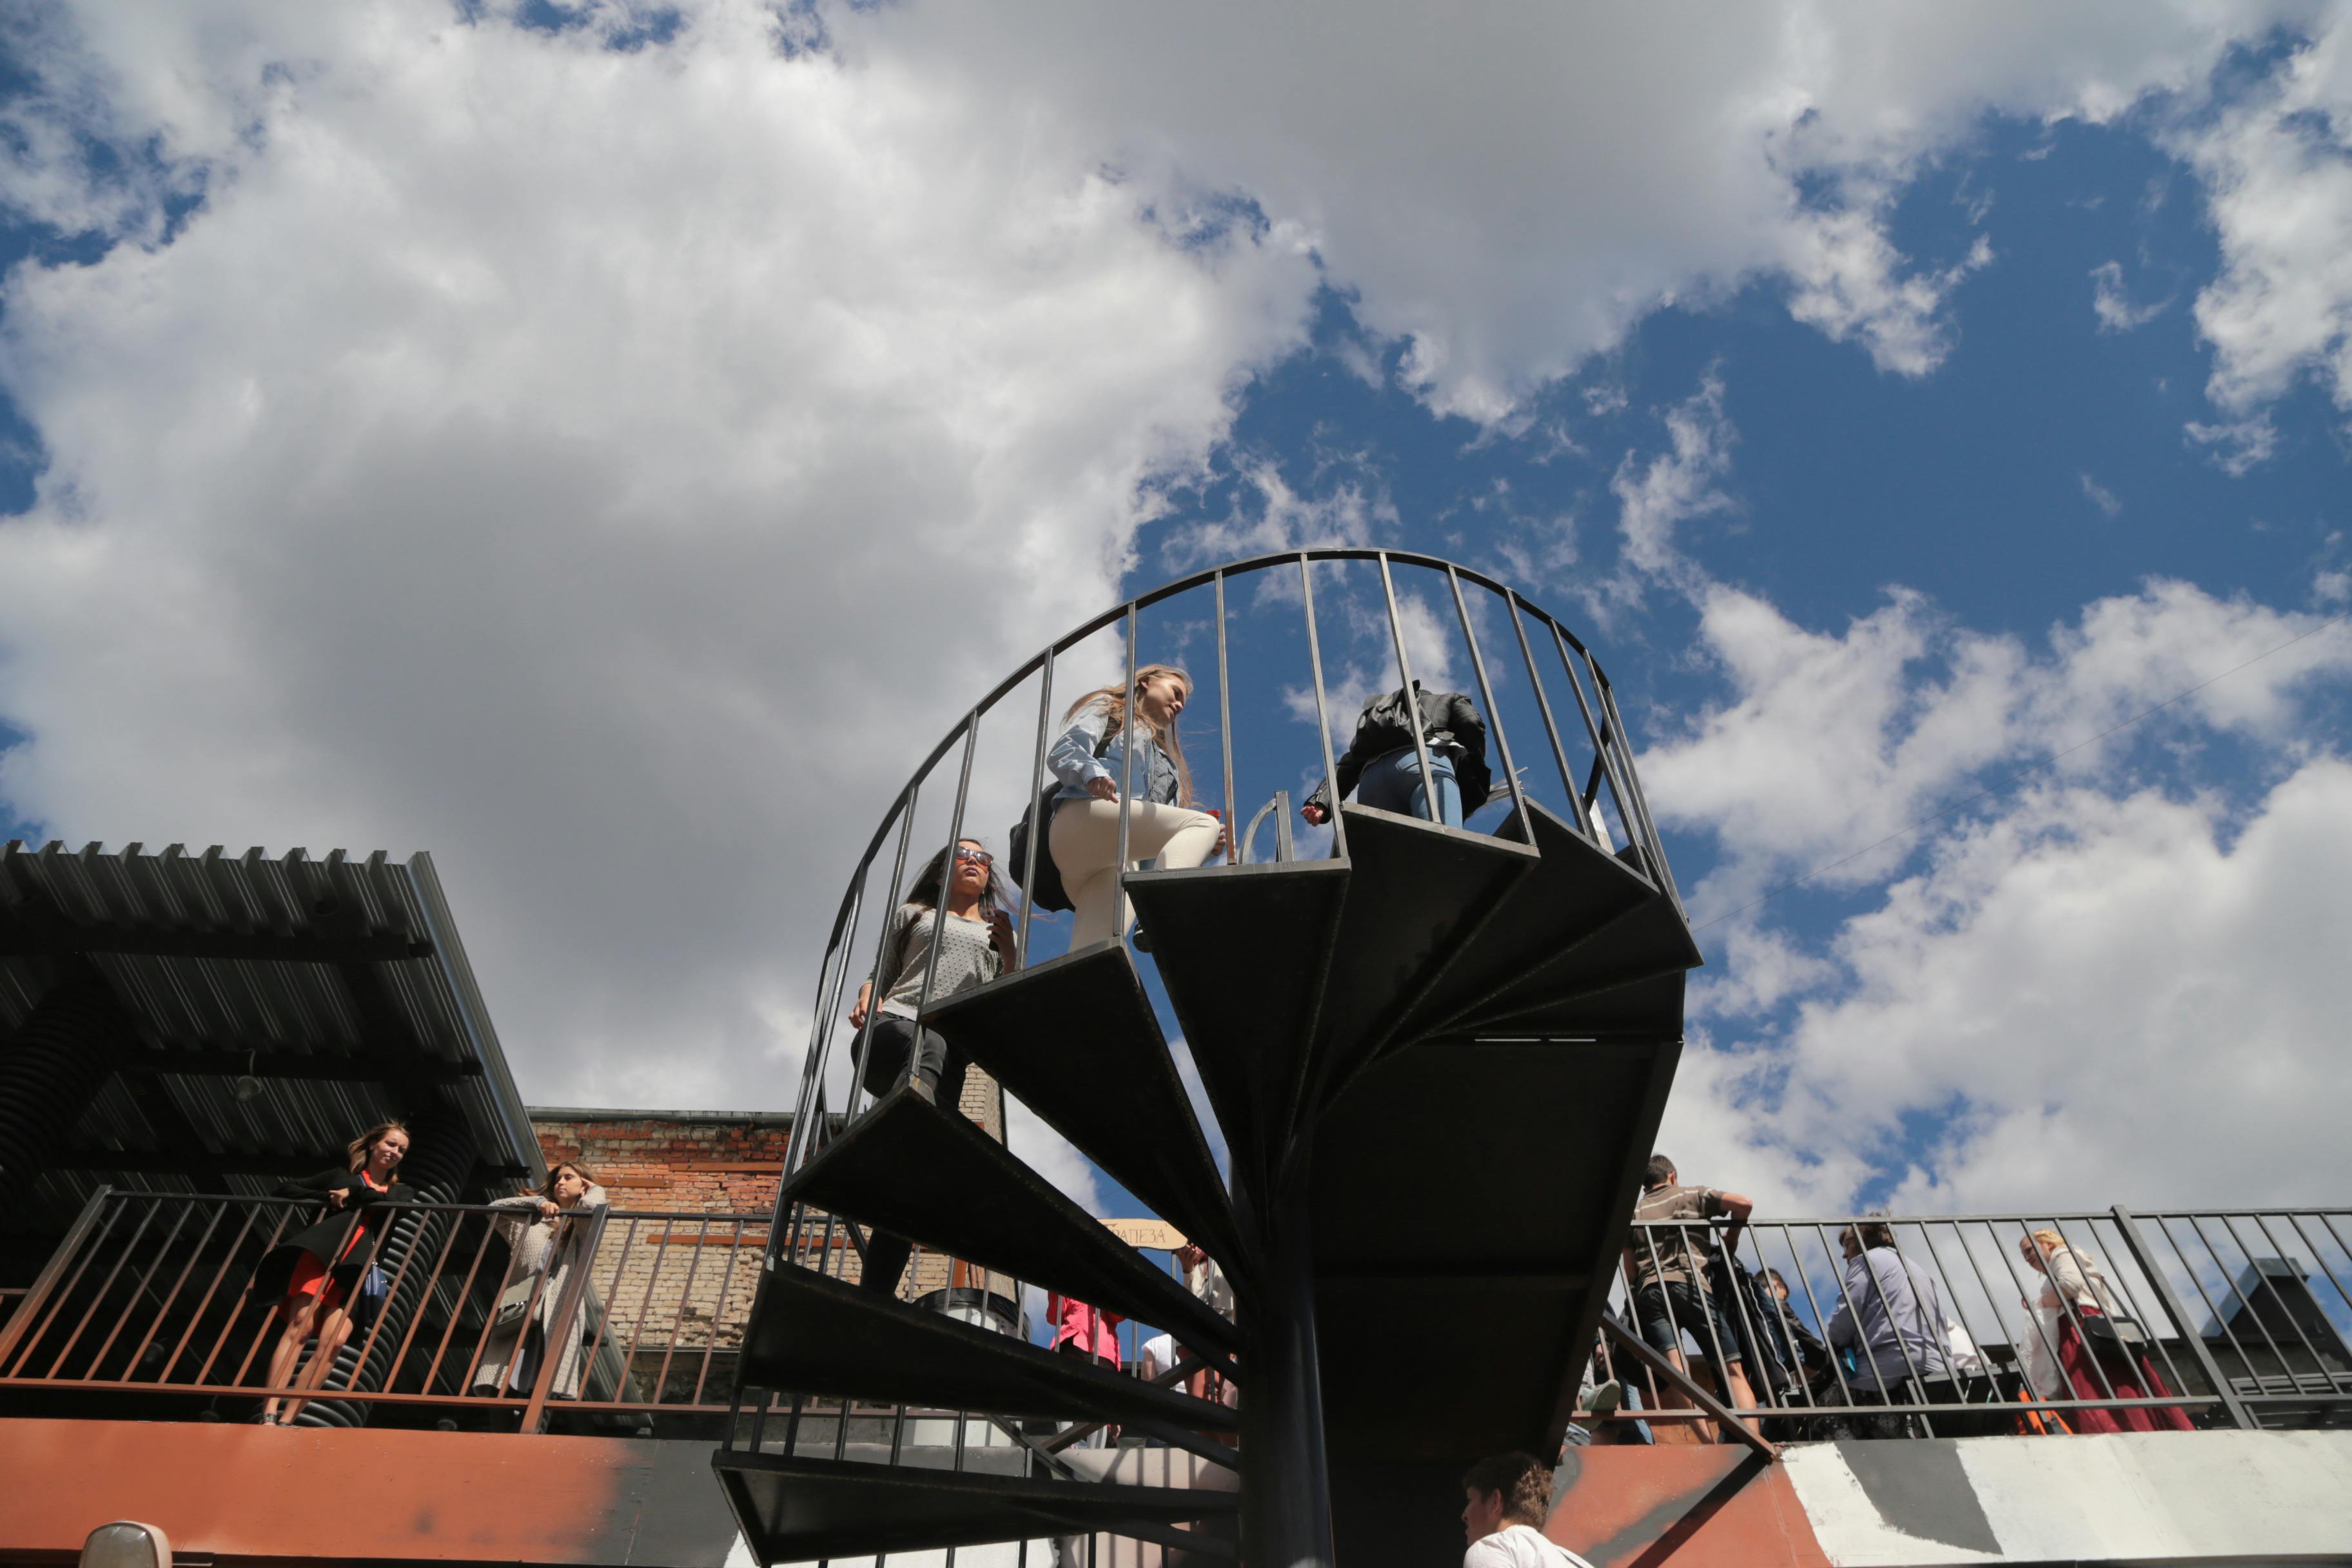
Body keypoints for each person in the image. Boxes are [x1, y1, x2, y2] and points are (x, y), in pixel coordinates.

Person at [847, 838, 1020, 1298]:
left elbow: (1001, 1007)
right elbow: (880, 973)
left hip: (946, 1062)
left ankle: (875, 1295)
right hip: (895, 1032)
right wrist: (867, 994)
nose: (975, 861)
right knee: (930, 1041)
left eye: (983, 858)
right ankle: (910, 1120)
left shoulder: (1000, 933)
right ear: (943, 873)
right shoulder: (914, 916)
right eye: (963, 855)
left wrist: (1011, 959)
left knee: (909, 1190)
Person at [248, 1121, 416, 1426]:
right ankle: (270, 1411)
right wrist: (328, 1196)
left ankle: (289, 1419)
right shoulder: (340, 1176)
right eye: (391, 1144)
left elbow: (388, 1203)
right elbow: (286, 1188)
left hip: (359, 1267)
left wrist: (351, 1193)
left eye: (401, 1150)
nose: (395, 1152)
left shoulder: (400, 1191)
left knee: (335, 1342)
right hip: (322, 1257)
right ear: (373, 1145)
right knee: (300, 1327)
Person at [1046, 664, 1224, 950]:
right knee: (1203, 824)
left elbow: (1159, 857)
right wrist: (1094, 774)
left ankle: (1081, 991)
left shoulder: (1168, 764)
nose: (1179, 705)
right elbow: (1066, 749)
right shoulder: (1115, 711)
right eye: (1175, 693)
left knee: (1096, 947)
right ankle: (1159, 911)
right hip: (1086, 816)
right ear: (1147, 682)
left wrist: (1204, 849)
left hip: (1113, 858)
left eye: (1182, 703)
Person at [1623, 1154, 1758, 1438]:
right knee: (1731, 1367)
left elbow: (1630, 1271)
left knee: (1677, 1374)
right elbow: (1744, 1204)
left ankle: (1706, 1444)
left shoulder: (1633, 1213)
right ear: (1672, 1176)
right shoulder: (1692, 1194)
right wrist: (1732, 1238)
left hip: (1651, 1291)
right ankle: (1753, 1439)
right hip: (1692, 1285)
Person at [1823, 1219, 1997, 1437]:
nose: (1845, 1255)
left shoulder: (1865, 1261)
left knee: (1824, 1410)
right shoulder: (1915, 1267)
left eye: (1847, 1245)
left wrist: (1834, 1343)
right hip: (1935, 1363)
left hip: (1892, 1360)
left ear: (1860, 1242)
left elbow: (1847, 1313)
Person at [2016, 1228, 2193, 1434]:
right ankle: (2132, 1426)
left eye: (2029, 1250)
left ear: (2048, 1243)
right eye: (2024, 1255)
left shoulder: (2062, 1253)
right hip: (2081, 1325)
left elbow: (2070, 1284)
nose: (2027, 1258)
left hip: (2081, 1325)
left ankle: (2111, 1429)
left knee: (2091, 1383)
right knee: (2104, 1383)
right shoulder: (2057, 1265)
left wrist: (2041, 1303)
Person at [469, 1161, 609, 1406]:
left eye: (568, 1178)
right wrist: (536, 1203)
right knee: (502, 1381)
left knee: (545, 1385)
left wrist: (596, 1188)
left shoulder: (583, 1227)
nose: (560, 1183)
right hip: (521, 1306)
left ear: (583, 1185)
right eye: (557, 1179)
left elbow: (593, 1208)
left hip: (557, 1309)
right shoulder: (529, 1223)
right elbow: (494, 1208)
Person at [1302, 680, 1493, 830]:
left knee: (1391, 867)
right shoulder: (1450, 698)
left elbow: (1347, 765)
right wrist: (1473, 782)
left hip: (1371, 782)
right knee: (1445, 850)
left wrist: (1320, 802)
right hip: (1425, 764)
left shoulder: (1378, 723)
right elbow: (1471, 725)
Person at [1459, 1452, 1594, 1568]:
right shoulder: (1573, 1561)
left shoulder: (1492, 1548)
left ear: (1495, 1501)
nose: (1464, 1516)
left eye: (1471, 1499)